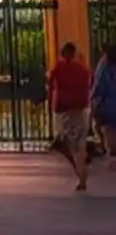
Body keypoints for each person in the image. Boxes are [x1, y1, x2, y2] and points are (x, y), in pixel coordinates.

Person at [49, 41, 92, 191]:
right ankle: (82, 168)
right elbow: (89, 82)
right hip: (81, 109)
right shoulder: (82, 68)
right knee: (80, 141)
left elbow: (51, 83)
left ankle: (81, 174)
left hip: (66, 111)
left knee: (70, 145)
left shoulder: (59, 68)